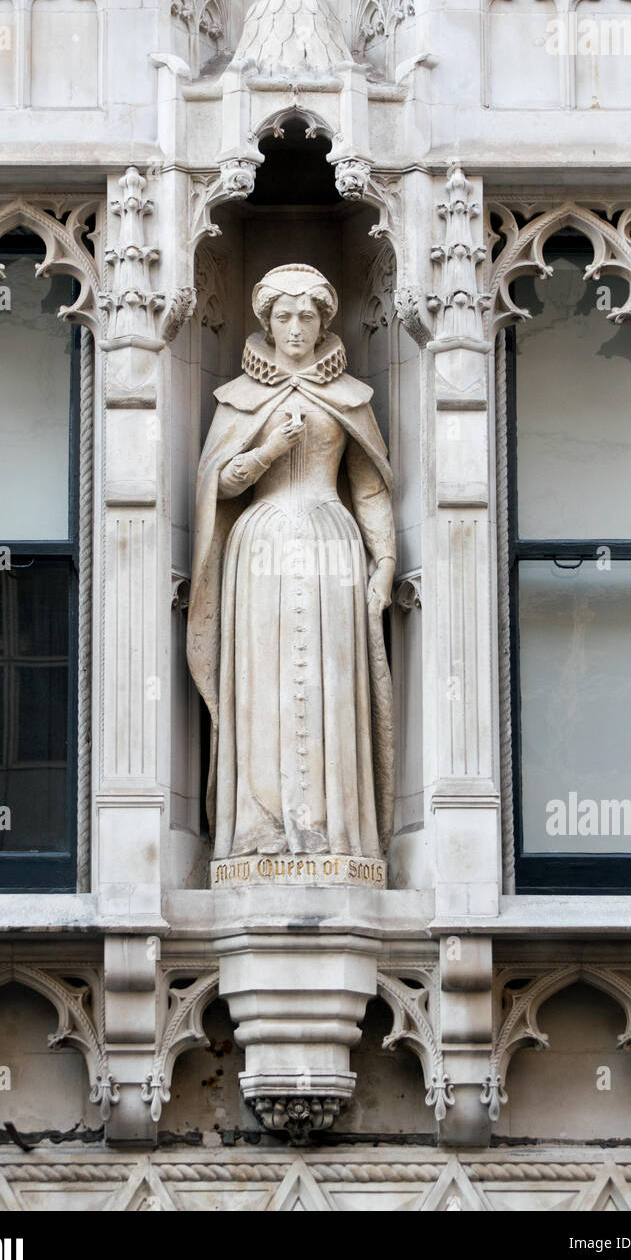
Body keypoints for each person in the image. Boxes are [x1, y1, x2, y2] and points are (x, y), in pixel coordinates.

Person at [187, 263, 396, 860]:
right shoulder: (240, 398)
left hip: (334, 544)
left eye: (307, 316)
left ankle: (333, 835)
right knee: (261, 687)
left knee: (329, 680)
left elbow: (371, 488)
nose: (296, 328)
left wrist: (384, 564)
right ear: (267, 323)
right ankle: (259, 831)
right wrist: (268, 451)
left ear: (324, 321)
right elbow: (216, 487)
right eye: (284, 316)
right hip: (259, 550)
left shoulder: (351, 397)